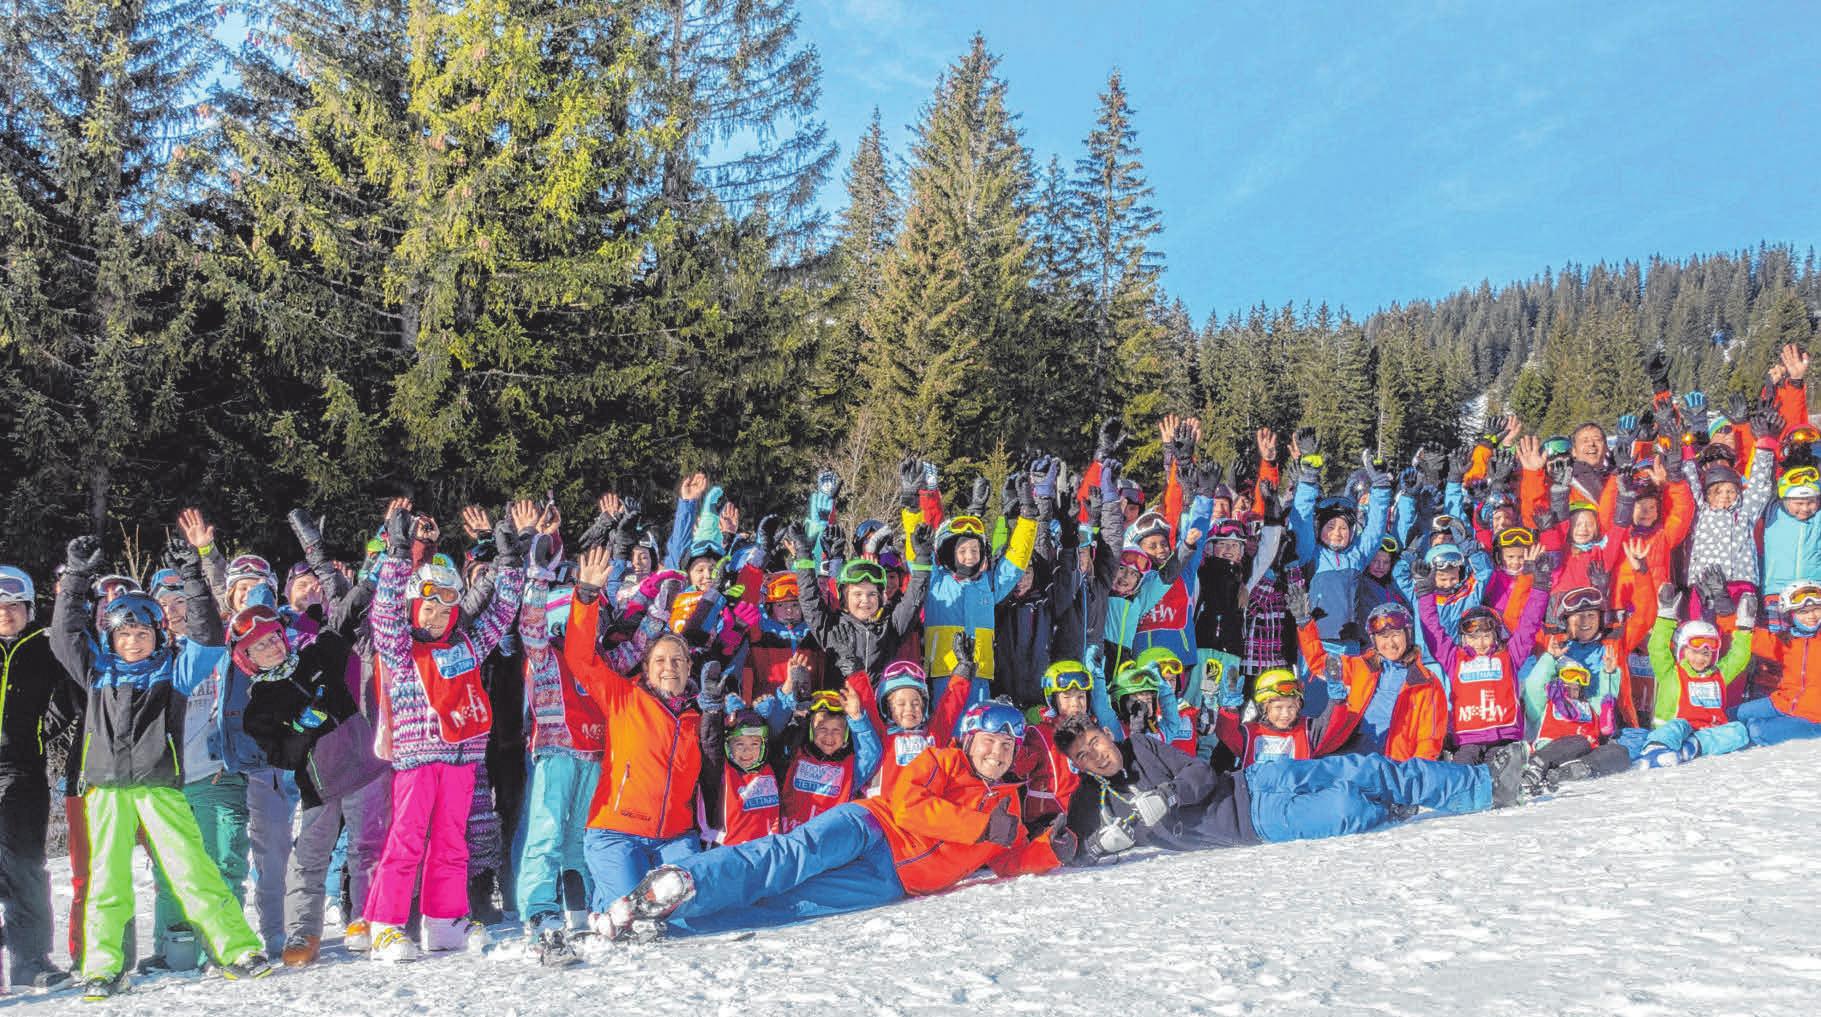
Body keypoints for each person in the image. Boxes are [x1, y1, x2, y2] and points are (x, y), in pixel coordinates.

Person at [596, 701, 1069, 940]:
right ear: (968, 740)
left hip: (891, 881)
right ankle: (685, 883)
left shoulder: (1009, 811)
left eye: (1006, 746)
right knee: (790, 857)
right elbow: (908, 806)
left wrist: (1052, 851)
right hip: (872, 825)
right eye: (989, 741)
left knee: (790, 906)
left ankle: (672, 923)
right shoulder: (940, 761)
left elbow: (1008, 861)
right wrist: (978, 827)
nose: (996, 753)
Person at [49, 535, 269, 999]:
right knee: (107, 880)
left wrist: (192, 577)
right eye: (124, 635)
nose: (133, 643)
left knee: (192, 870)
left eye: (142, 634)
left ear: (157, 636)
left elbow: (208, 639)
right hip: (106, 791)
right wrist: (76, 577)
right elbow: (64, 635)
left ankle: (235, 949)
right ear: (111, 638)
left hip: (159, 787)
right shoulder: (97, 672)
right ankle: (103, 967)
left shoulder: (172, 672)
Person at [363, 502, 528, 962]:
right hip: (417, 762)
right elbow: (384, 611)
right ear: (415, 608)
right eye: (428, 609)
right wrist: (399, 553)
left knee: (453, 842)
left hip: (462, 760)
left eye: (444, 610)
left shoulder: (468, 646)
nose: (435, 618)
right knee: (406, 841)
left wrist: (510, 563)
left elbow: (503, 612)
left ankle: (444, 920)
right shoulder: (399, 648)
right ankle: (386, 925)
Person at [1055, 713, 1527, 865]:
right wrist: (1097, 847)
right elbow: (1068, 852)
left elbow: (1201, 773)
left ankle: (1484, 786)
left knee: (1367, 768)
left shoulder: (1140, 746)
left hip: (1256, 781)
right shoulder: (1095, 801)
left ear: (1106, 734)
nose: (1097, 755)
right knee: (1345, 809)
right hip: (1256, 824)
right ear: (1078, 766)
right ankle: (1389, 806)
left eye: (1096, 742)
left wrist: (1170, 795)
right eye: (1084, 755)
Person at [236, 606, 385, 968]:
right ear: (247, 658)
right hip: (320, 785)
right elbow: (284, 757)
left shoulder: (314, 657)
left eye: (274, 638)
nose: (272, 647)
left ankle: (367, 918)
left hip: (365, 769)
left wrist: (370, 580)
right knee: (309, 859)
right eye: (260, 646)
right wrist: (302, 727)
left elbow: (343, 622)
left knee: (368, 847)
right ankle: (303, 931)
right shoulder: (258, 708)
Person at [0, 565, 73, 990]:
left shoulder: (45, 647)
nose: (5, 613)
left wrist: (42, 731)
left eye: (14, 605)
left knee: (24, 863)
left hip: (22, 768)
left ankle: (30, 961)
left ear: (29, 608)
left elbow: (70, 698)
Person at [1211, 666, 1354, 767]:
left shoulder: (1307, 731)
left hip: (1296, 795)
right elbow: (1226, 733)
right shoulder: (1250, 733)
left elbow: (1332, 725)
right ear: (1264, 708)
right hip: (1257, 795)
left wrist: (1337, 701)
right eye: (1278, 708)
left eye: (1291, 707)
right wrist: (1230, 708)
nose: (1285, 714)